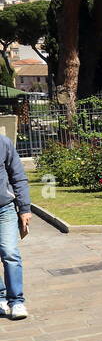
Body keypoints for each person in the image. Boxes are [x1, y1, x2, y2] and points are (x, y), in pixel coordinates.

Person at [0, 130, 32, 320]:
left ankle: (17, 301)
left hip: (4, 208)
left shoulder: (3, 143)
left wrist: (25, 209)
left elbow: (18, 176)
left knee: (10, 252)